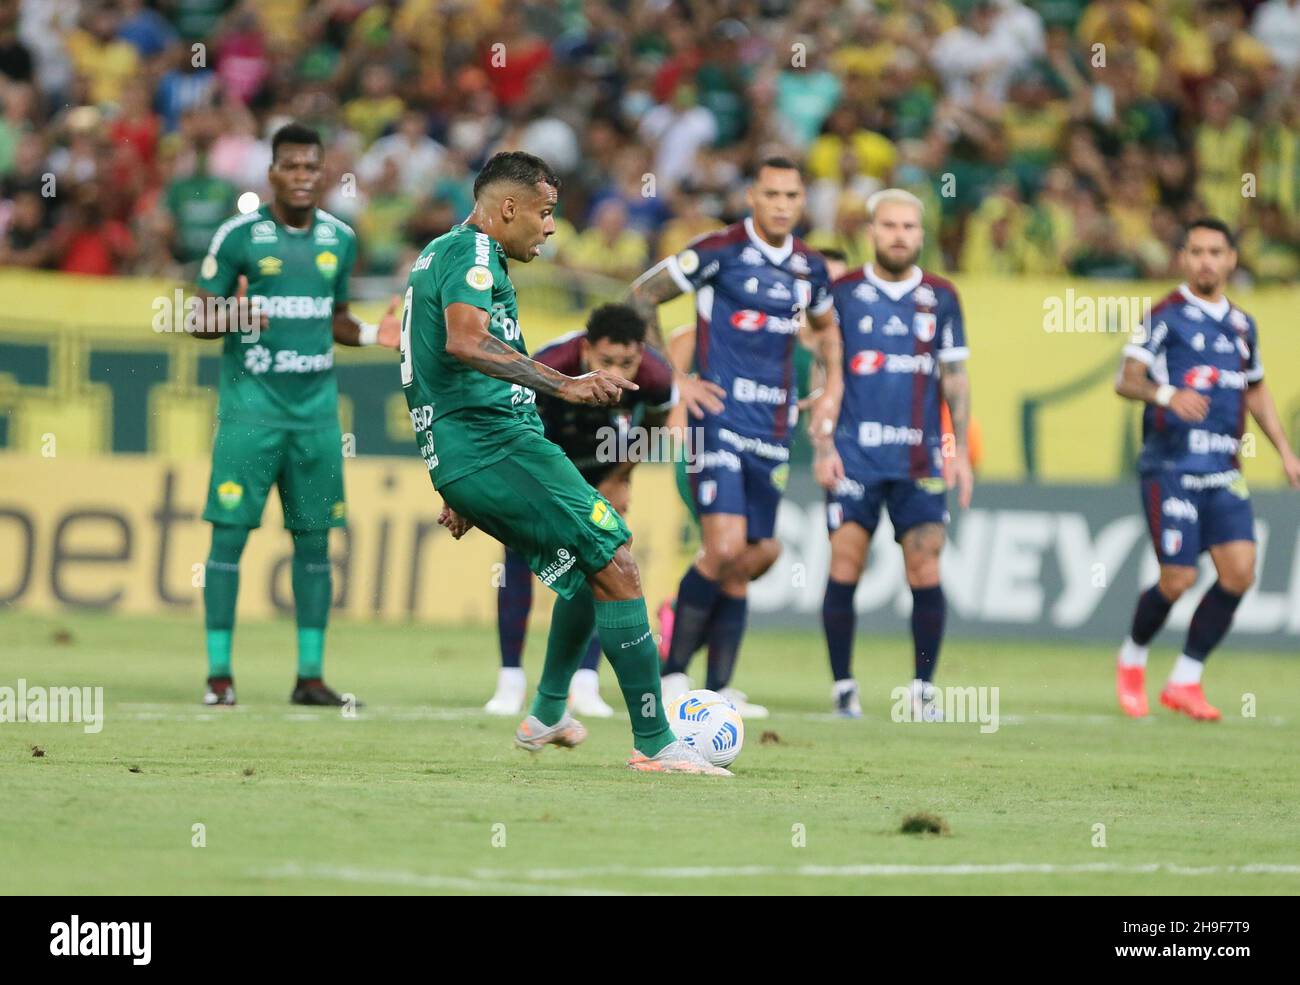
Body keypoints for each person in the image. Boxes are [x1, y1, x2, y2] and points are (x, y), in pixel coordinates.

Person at [400, 150, 729, 775]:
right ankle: (655, 743)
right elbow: (464, 342)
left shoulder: (443, 253)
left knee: (588, 572)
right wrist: (565, 384)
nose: (551, 228)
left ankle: (549, 709)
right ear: (508, 208)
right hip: (492, 445)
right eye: (546, 212)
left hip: (480, 451)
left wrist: (457, 480)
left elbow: (439, 363)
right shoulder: (471, 253)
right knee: (617, 559)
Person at [190, 122, 400, 707]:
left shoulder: (341, 238)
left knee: (314, 545)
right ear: (272, 173)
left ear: (323, 173)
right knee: (229, 539)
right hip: (250, 415)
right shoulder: (238, 237)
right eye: (292, 167)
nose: (303, 177)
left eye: (312, 167)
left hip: (316, 419)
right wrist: (234, 315)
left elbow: (335, 319)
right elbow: (196, 318)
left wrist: (372, 334)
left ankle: (310, 677)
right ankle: (219, 676)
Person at [628, 157, 843, 717]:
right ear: (751, 196)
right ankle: (672, 675)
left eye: (791, 195)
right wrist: (675, 380)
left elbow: (828, 330)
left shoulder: (810, 267)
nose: (781, 205)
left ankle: (719, 687)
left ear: (802, 201)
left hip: (773, 429)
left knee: (753, 554)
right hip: (717, 420)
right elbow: (642, 294)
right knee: (724, 548)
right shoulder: (717, 251)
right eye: (771, 194)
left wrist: (831, 388)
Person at [1114, 217, 1300, 720]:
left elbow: (1255, 390)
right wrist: (1166, 394)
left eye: (1216, 252)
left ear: (1232, 259)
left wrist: (1285, 451)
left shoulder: (1242, 325)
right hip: (1171, 465)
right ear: (1183, 258)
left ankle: (1185, 680)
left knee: (1239, 573)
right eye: (1196, 252)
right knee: (1178, 578)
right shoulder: (1163, 316)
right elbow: (1126, 379)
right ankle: (1132, 658)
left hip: (1223, 469)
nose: (1206, 261)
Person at [818, 189, 974, 719]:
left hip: (920, 458)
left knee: (925, 566)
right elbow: (825, 373)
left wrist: (959, 451)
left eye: (909, 226)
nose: (899, 235)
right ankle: (844, 688)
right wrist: (823, 444)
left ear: (921, 235)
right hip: (853, 455)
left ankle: (923, 691)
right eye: (889, 225)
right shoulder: (842, 293)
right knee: (846, 561)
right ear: (871, 232)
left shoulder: (942, 296)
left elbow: (955, 378)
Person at [487, 302, 676, 718]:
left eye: (627, 363)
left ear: (641, 355)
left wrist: (621, 477)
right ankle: (510, 679)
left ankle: (585, 681)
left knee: (603, 562)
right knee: (518, 557)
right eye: (606, 361)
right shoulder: (550, 364)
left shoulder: (657, 376)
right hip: (540, 464)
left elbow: (654, 425)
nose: (616, 373)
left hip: (600, 471)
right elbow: (511, 425)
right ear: (586, 349)